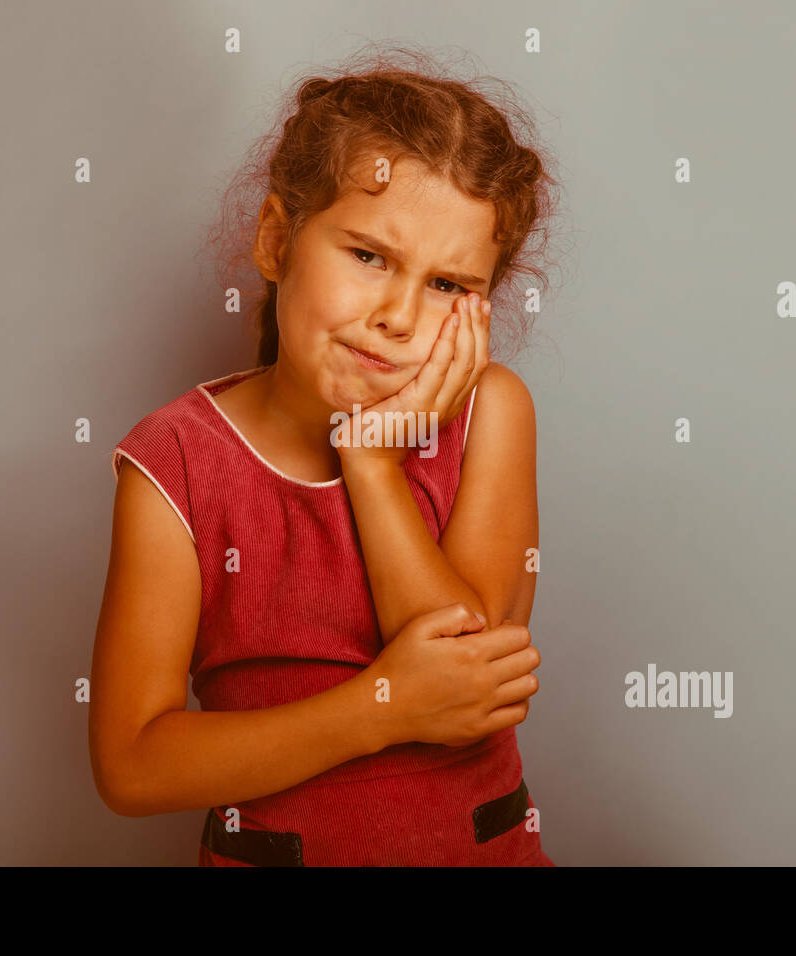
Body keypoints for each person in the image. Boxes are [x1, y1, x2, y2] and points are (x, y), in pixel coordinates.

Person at [89, 49, 561, 866]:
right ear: (278, 240)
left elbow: (464, 678)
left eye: (448, 286)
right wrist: (381, 709)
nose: (399, 317)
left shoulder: (493, 413)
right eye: (369, 256)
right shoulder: (177, 461)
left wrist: (374, 461)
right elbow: (132, 765)